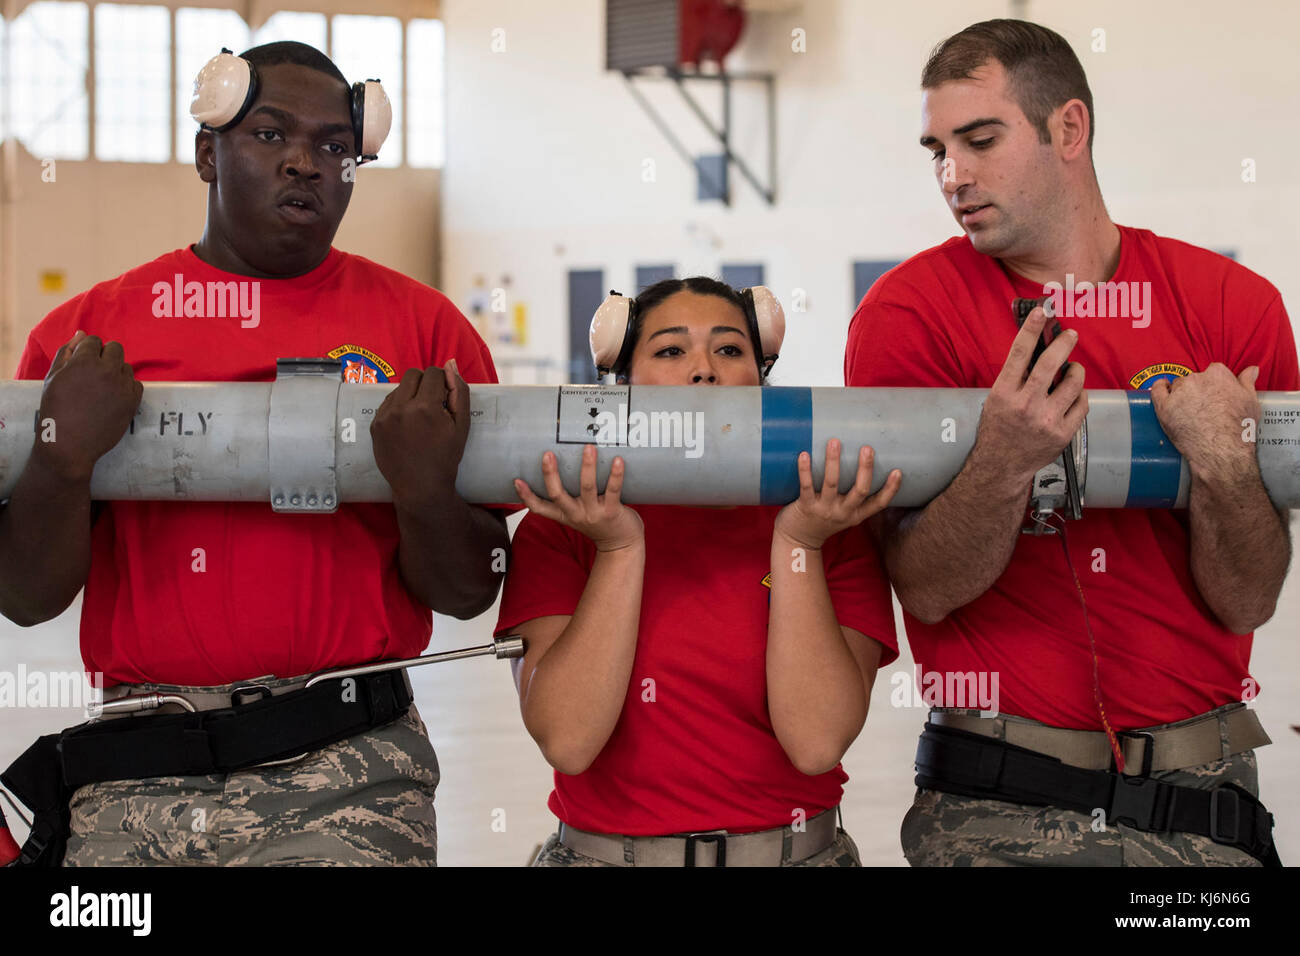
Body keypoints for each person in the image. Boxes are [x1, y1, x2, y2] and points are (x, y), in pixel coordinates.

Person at [0, 41, 508, 866]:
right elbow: (25, 598)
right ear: (209, 153)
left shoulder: (427, 335)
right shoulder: (90, 339)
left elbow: (468, 591)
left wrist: (424, 492)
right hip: (138, 771)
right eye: (271, 136)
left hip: (353, 767)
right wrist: (62, 458)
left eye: (335, 147)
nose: (306, 163)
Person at [845, 19, 1297, 866]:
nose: (954, 174)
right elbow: (928, 587)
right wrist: (1004, 458)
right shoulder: (908, 314)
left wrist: (1227, 468)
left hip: (1208, 798)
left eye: (980, 140)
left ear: (1069, 129)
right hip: (1001, 799)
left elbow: (1248, 600)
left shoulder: (1236, 308)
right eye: (936, 149)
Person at [494, 276, 903, 867]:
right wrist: (618, 549)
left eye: (730, 349)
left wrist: (799, 542)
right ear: (622, 378)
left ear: (759, 374)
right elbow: (569, 741)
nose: (704, 369)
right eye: (670, 350)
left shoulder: (829, 521)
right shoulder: (564, 524)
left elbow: (816, 743)